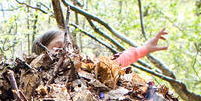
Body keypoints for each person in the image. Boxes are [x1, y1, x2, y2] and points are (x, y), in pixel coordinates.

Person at [33, 26, 168, 66]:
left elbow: (114, 64)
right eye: (58, 47)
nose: (66, 50)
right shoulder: (34, 81)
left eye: (70, 46)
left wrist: (143, 49)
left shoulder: (84, 69)